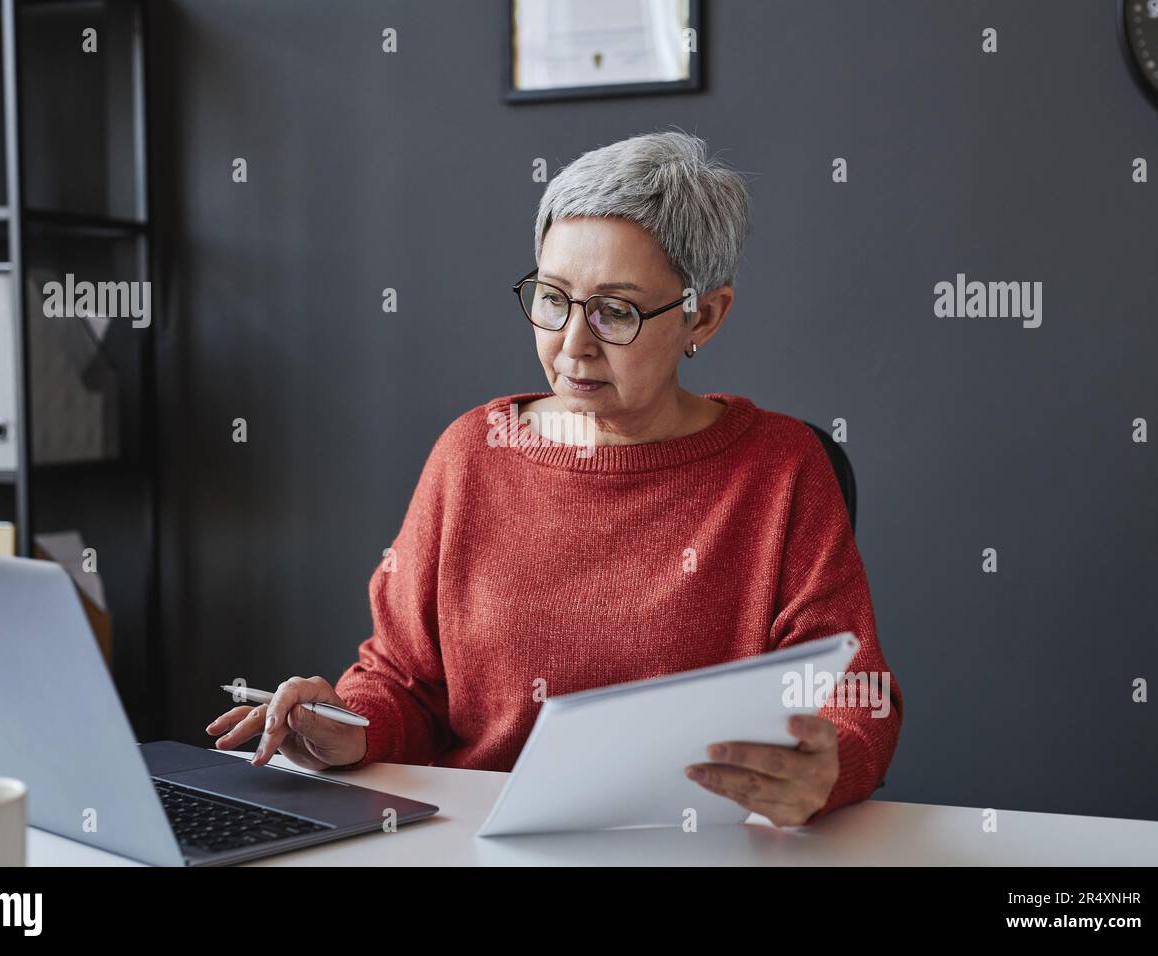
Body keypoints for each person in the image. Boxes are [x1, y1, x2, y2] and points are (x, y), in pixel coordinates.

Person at [206, 130, 902, 826]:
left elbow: (852, 693)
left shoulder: (781, 469)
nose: (572, 344)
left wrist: (830, 763)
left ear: (705, 316)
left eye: (616, 311)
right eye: (552, 298)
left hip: (692, 842)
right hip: (474, 840)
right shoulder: (473, 452)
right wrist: (344, 725)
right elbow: (404, 684)